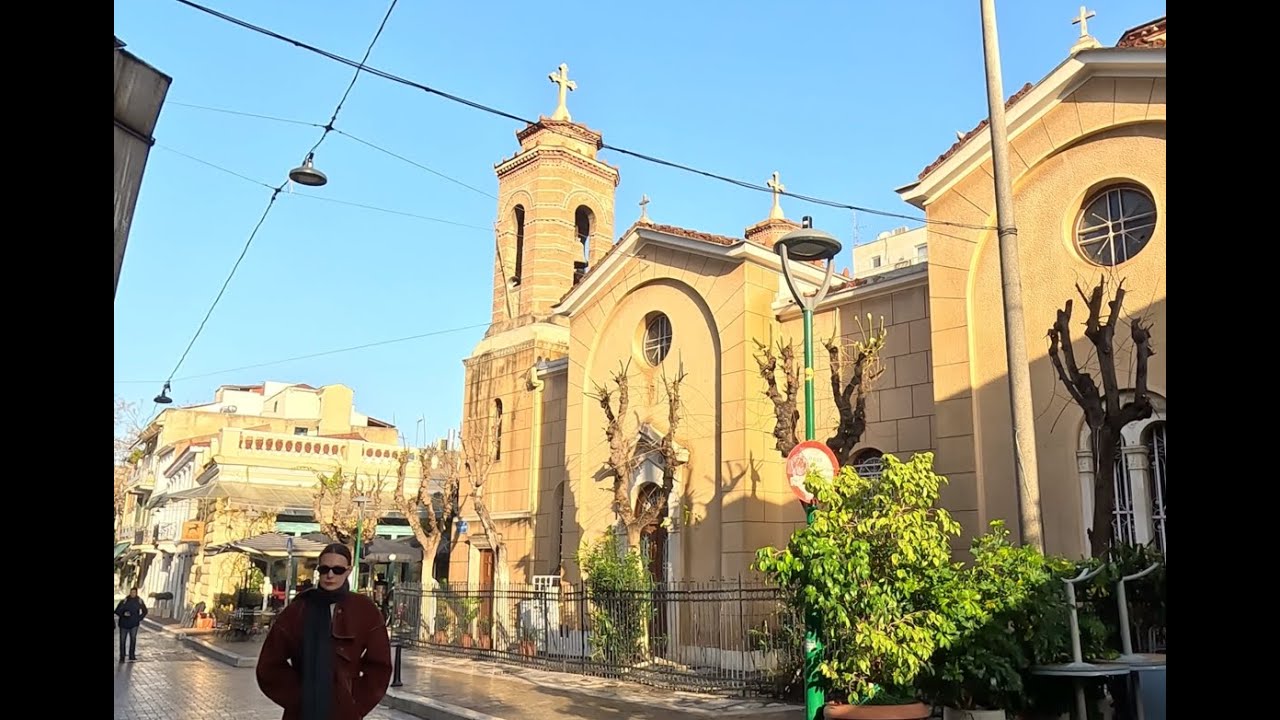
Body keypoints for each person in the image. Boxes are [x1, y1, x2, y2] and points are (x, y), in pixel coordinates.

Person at [256, 543, 393, 720]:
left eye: (337, 570)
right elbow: (269, 665)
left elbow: (380, 666)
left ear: (348, 571)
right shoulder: (298, 610)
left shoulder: (364, 610)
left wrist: (354, 703)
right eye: (324, 569)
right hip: (302, 712)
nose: (330, 575)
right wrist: (298, 697)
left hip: (344, 713)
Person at [114, 587, 148, 663]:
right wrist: (123, 614)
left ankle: (131, 655)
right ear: (130, 593)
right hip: (123, 624)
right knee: (122, 640)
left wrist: (139, 618)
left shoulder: (139, 601)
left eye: (134, 592)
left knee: (133, 639)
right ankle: (122, 656)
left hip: (134, 624)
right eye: (131, 592)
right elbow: (116, 611)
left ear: (136, 593)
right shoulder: (124, 601)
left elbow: (145, 611)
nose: (133, 594)